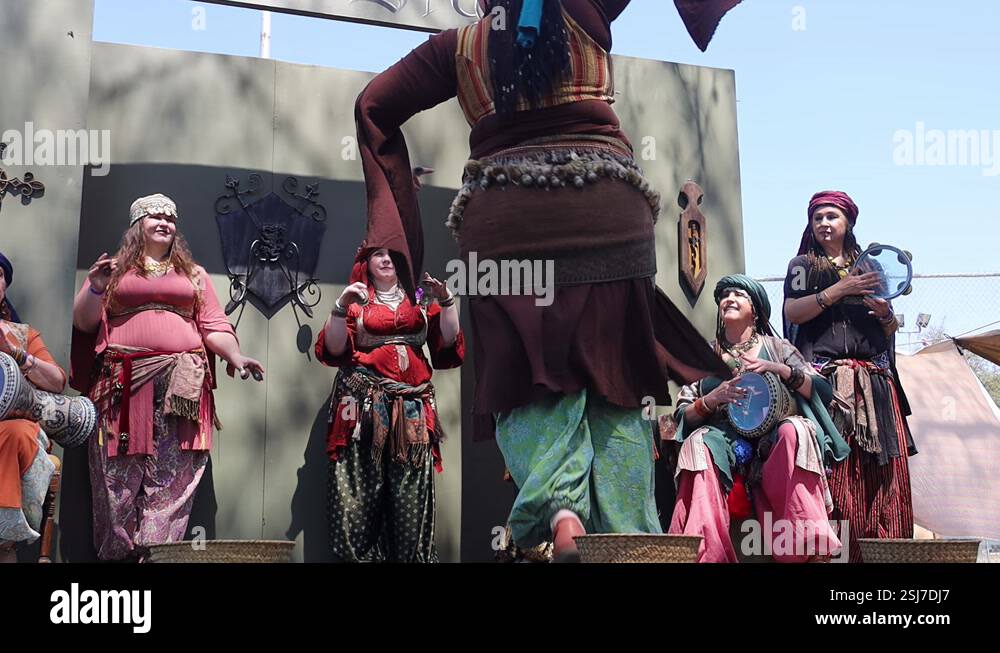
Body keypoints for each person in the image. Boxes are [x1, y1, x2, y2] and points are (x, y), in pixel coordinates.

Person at [353, 0, 728, 561]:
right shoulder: (586, 7)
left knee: (528, 377)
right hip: (605, 214)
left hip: (506, 226)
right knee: (618, 379)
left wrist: (396, 229)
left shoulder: (456, 47)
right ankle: (629, 532)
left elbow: (374, 104)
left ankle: (561, 509)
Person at [72, 193, 264, 561]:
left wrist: (236, 357)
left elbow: (213, 325)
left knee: (173, 478)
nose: (164, 223)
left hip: (183, 385)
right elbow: (84, 322)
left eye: (170, 219)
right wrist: (96, 287)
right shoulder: (114, 271)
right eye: (154, 217)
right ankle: (118, 556)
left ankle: (158, 557)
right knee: (116, 478)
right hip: (123, 385)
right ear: (137, 226)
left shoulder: (194, 275)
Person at [668, 274, 849, 562]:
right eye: (725, 295)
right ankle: (705, 554)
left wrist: (780, 370)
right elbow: (683, 415)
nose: (729, 299)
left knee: (796, 430)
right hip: (724, 440)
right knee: (697, 444)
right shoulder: (705, 354)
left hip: (772, 442)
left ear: (755, 310)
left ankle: (806, 547)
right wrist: (710, 400)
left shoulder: (779, 348)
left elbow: (823, 391)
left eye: (738, 294)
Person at [783, 190, 916, 562]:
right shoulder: (803, 266)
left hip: (874, 385)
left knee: (881, 475)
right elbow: (793, 312)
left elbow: (887, 330)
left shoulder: (871, 265)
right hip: (828, 383)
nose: (824, 223)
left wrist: (886, 315)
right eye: (818, 217)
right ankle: (835, 555)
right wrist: (842, 289)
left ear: (849, 222)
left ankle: (883, 555)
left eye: (832, 216)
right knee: (837, 471)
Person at [316, 248, 463, 562]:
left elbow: (447, 341)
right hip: (363, 407)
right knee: (359, 494)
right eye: (378, 254)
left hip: (411, 407)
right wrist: (340, 307)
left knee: (409, 494)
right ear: (365, 261)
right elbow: (334, 347)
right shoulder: (356, 297)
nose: (386, 259)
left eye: (392, 253)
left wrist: (447, 301)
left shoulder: (420, 297)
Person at [0, 252, 67, 562]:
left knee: (16, 433)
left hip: (16, 427)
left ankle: (4, 538)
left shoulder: (22, 334)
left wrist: (16, 353)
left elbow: (56, 381)